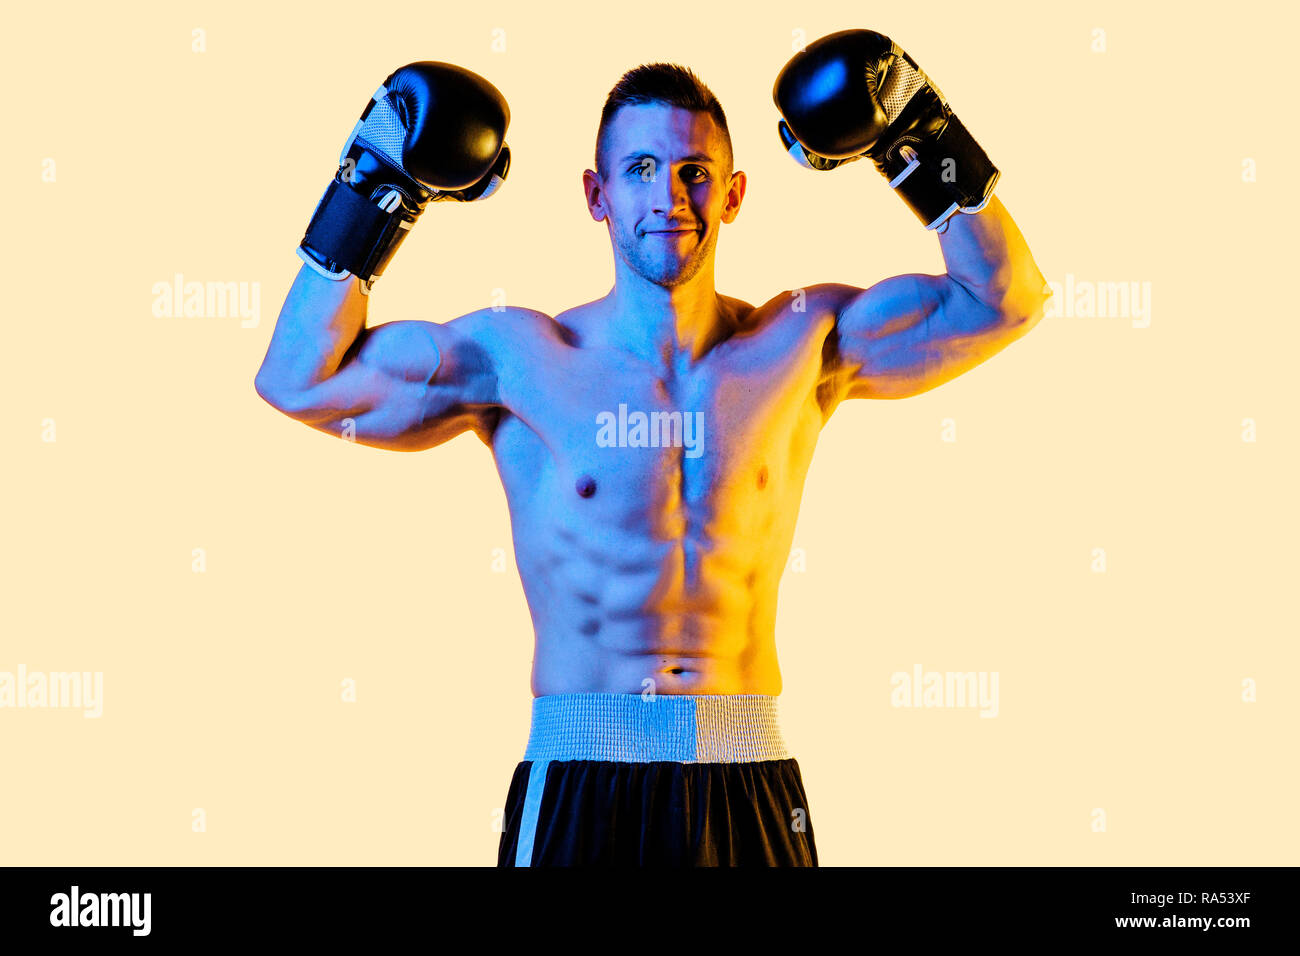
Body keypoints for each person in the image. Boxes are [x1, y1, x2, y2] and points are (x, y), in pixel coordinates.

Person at [254, 31, 1050, 866]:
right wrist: (378, 178)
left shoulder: (804, 341)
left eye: (693, 173)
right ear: (596, 195)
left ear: (735, 193)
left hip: (747, 771)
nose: (668, 196)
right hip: (580, 777)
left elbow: (1007, 299)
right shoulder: (520, 359)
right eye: (638, 172)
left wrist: (915, 132)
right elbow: (300, 380)